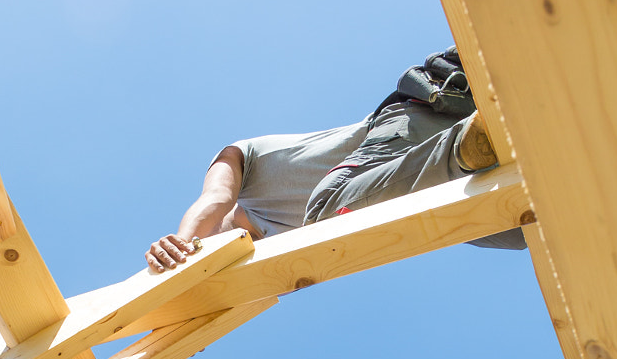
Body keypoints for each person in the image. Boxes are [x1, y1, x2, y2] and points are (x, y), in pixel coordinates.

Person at [145, 49, 522, 275]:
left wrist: (181, 242)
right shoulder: (278, 249)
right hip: (429, 174)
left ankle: (469, 144)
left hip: (412, 126)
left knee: (325, 218)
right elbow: (243, 293)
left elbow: (214, 202)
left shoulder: (241, 160)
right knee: (509, 222)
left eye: (203, 249)